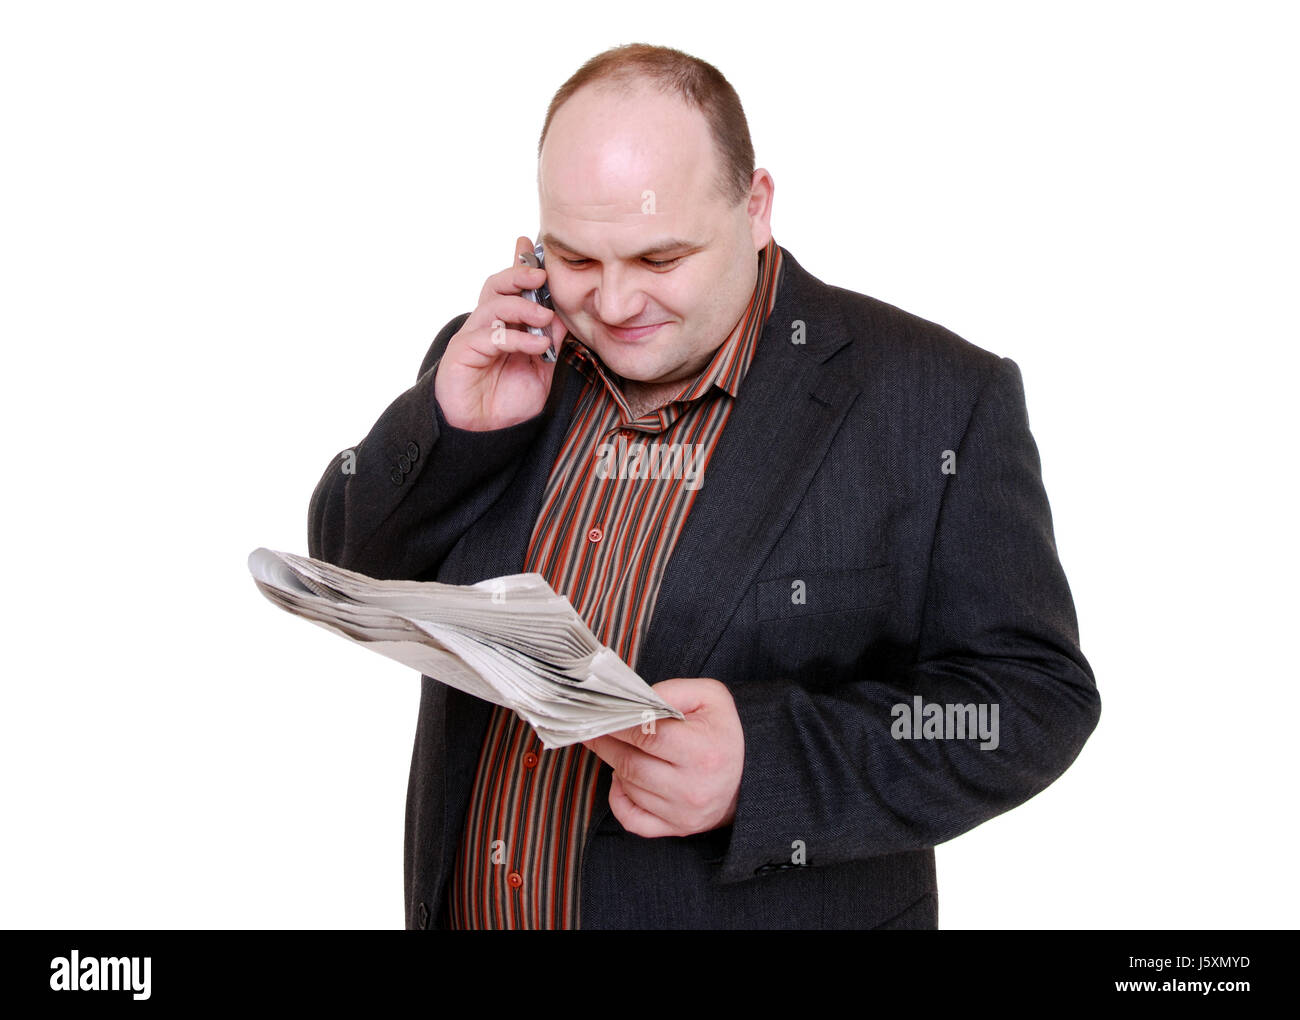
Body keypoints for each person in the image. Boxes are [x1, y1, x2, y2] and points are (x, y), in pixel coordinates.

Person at [307, 43, 1100, 930]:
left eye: (658, 260)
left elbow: (1032, 702)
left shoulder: (937, 400)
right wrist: (452, 427)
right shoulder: (501, 350)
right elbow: (354, 567)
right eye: (576, 259)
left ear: (755, 209)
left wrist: (766, 765)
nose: (611, 305)